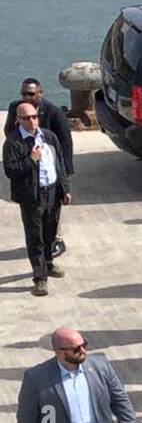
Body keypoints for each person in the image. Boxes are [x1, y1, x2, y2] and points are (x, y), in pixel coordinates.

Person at [4, 101, 71, 297]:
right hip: (31, 196)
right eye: (26, 118)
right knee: (36, 238)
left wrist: (65, 189)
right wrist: (31, 160)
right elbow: (10, 170)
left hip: (53, 192)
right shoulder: (13, 142)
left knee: (50, 233)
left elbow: (60, 164)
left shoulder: (48, 137)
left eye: (34, 117)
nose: (32, 121)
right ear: (18, 120)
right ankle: (40, 278)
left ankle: (48, 263)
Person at [4, 78, 75, 175]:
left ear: (40, 94)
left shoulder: (55, 113)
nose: (26, 97)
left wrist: (66, 171)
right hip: (24, 158)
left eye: (31, 94)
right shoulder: (15, 108)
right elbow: (8, 130)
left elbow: (65, 142)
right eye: (24, 94)